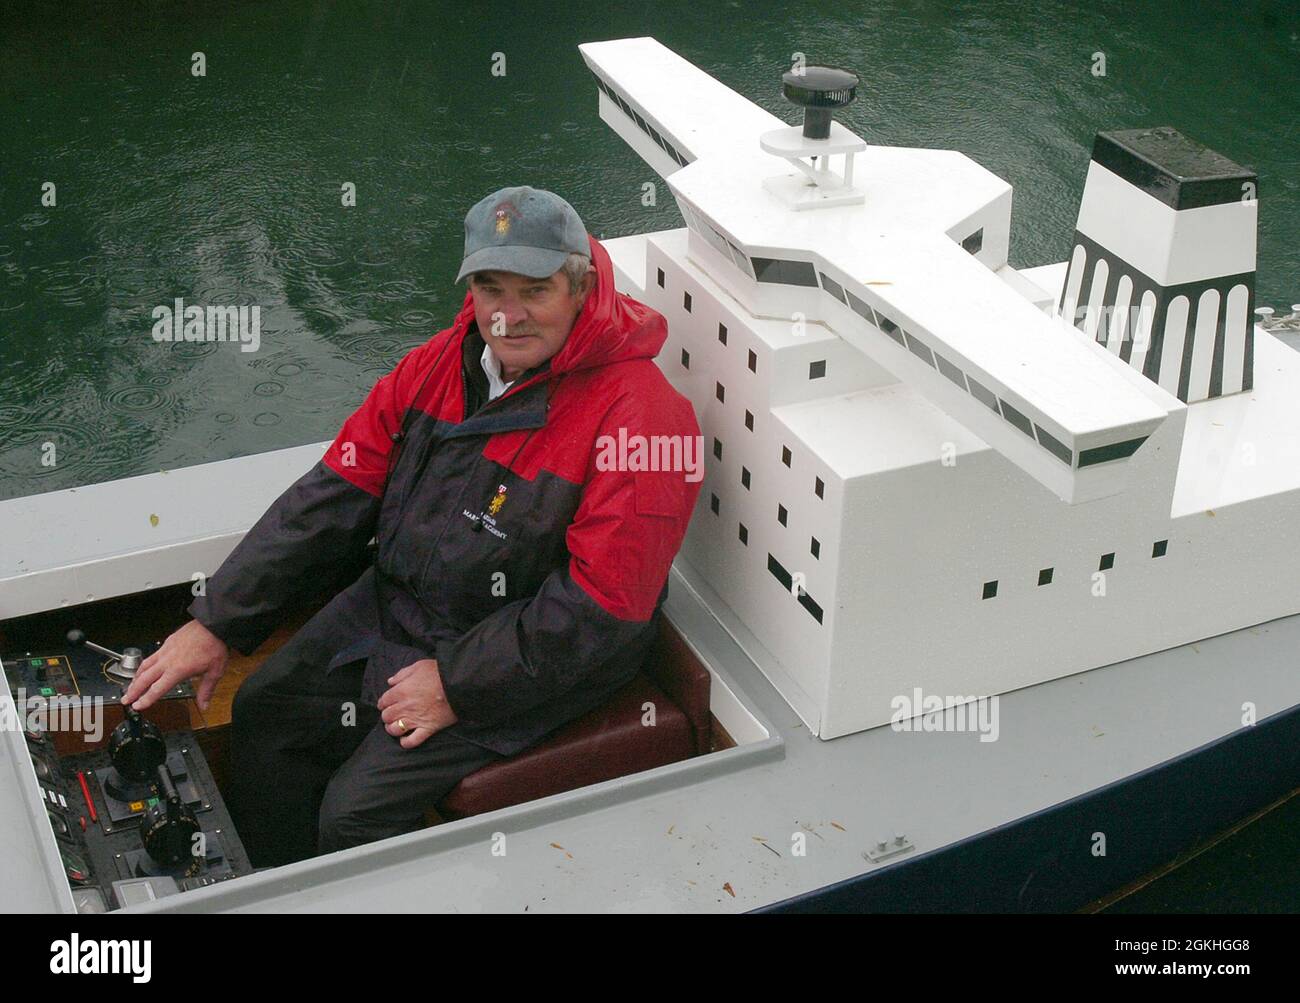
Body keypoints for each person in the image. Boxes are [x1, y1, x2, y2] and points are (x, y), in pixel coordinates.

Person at [123, 186, 703, 866]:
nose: (508, 317)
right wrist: (217, 620)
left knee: (353, 814)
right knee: (265, 711)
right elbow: (334, 494)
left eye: (534, 291)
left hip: (532, 651)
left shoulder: (644, 420)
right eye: (491, 288)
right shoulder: (435, 365)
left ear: (581, 288)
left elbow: (600, 616)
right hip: (402, 602)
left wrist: (456, 684)